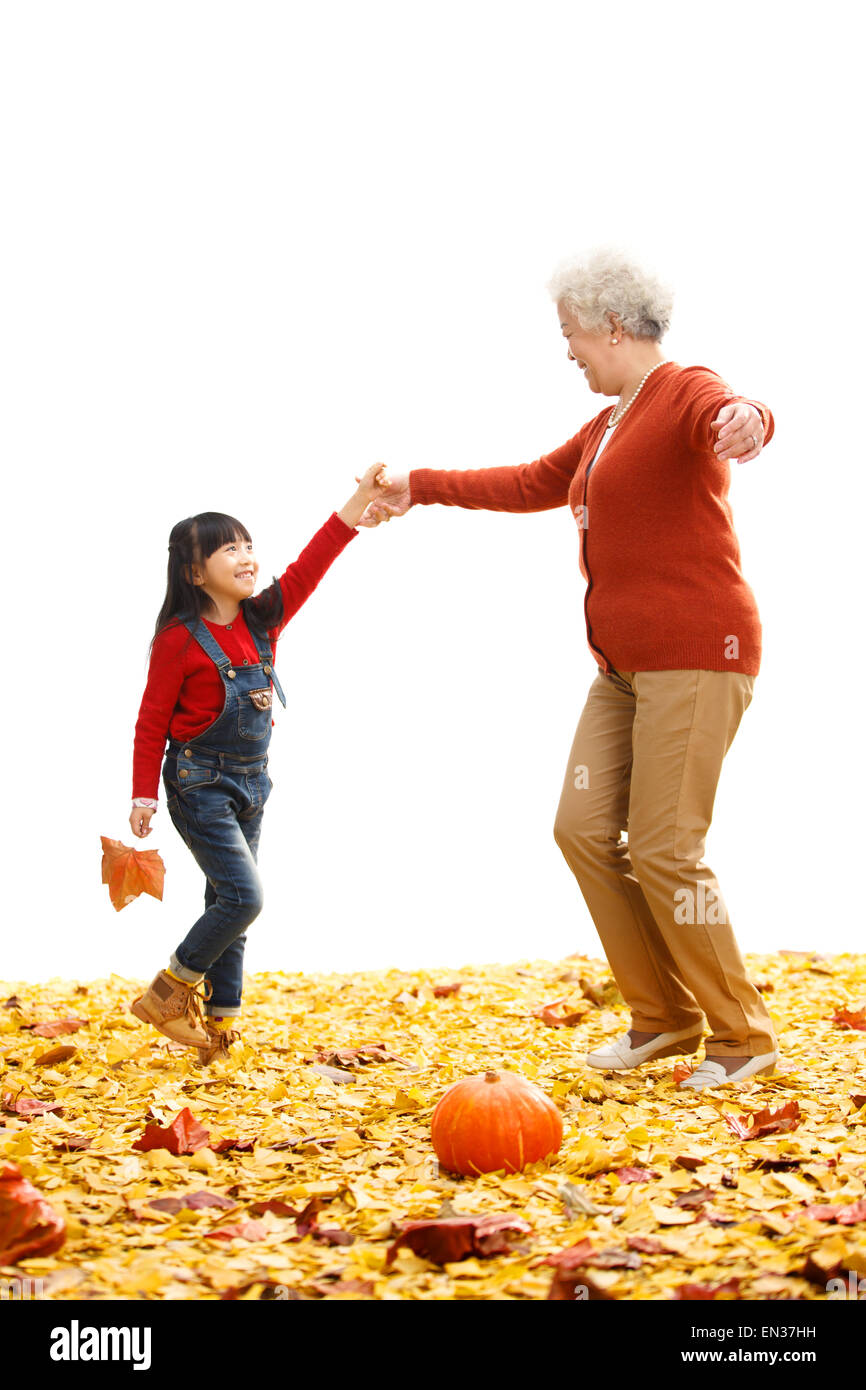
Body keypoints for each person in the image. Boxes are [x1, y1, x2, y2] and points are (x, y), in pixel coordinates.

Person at [360, 248, 777, 1092]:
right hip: (622, 671)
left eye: (572, 334)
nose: (569, 350)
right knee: (583, 829)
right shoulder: (607, 425)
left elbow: (733, 414)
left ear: (614, 326)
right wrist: (417, 485)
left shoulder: (684, 388)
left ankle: (742, 1034)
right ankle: (663, 1018)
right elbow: (527, 482)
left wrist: (752, 417)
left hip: (698, 657)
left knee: (666, 847)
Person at [128, 464, 393, 1064]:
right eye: (229, 549)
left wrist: (359, 500)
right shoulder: (177, 640)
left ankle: (219, 1034)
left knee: (228, 907)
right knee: (244, 897)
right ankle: (167, 991)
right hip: (199, 783)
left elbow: (314, 561)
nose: (247, 557)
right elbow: (150, 721)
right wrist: (143, 795)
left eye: (249, 545)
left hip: (253, 782)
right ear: (196, 572)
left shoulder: (262, 618)